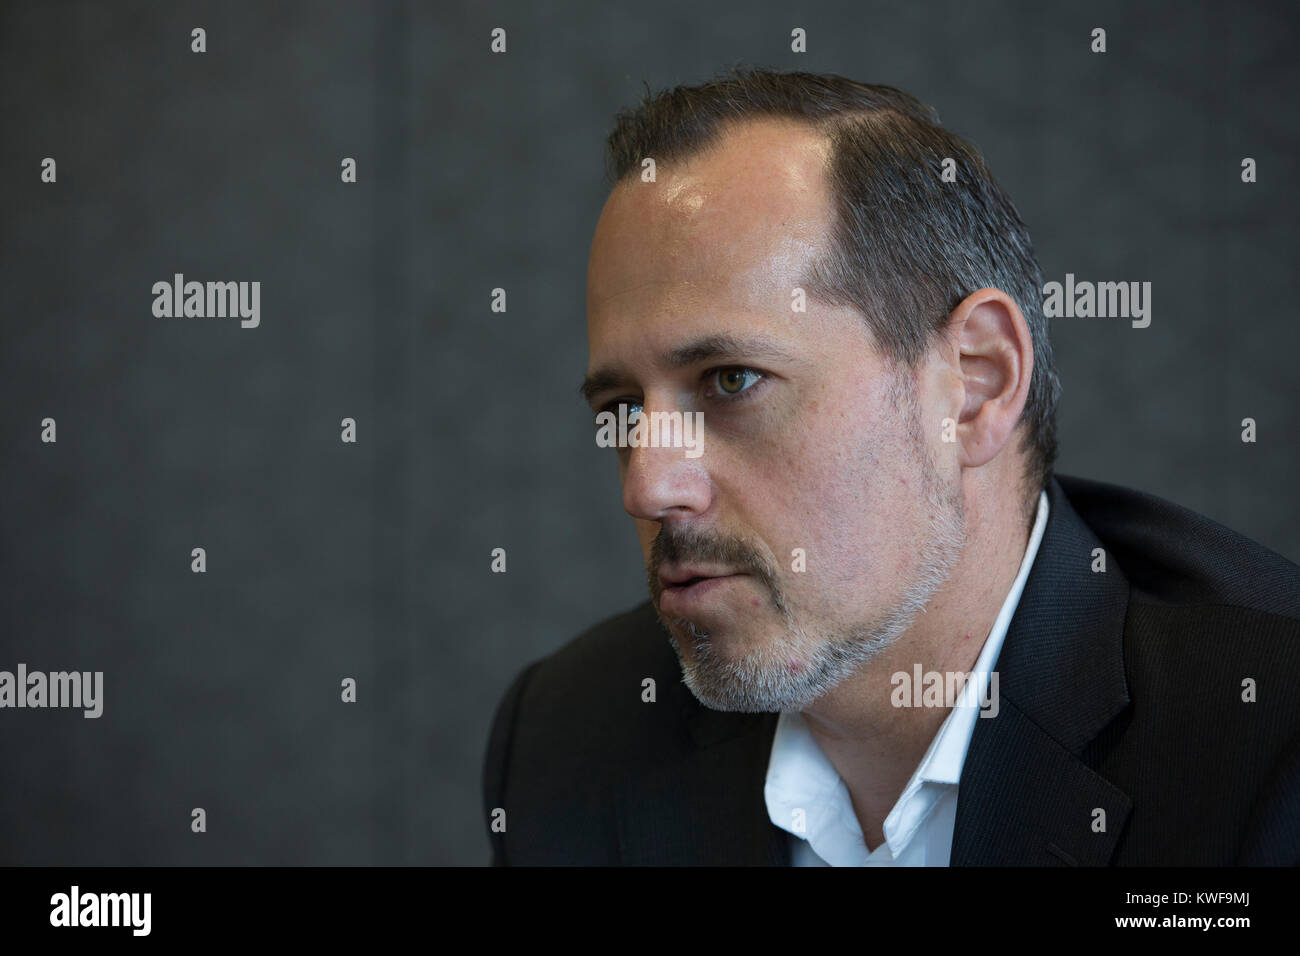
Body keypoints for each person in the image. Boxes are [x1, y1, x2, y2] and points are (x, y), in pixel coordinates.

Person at [482, 67, 1300, 866]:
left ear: (976, 384)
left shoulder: (1264, 745)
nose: (648, 485)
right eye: (622, 410)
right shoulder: (568, 743)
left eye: (732, 381)